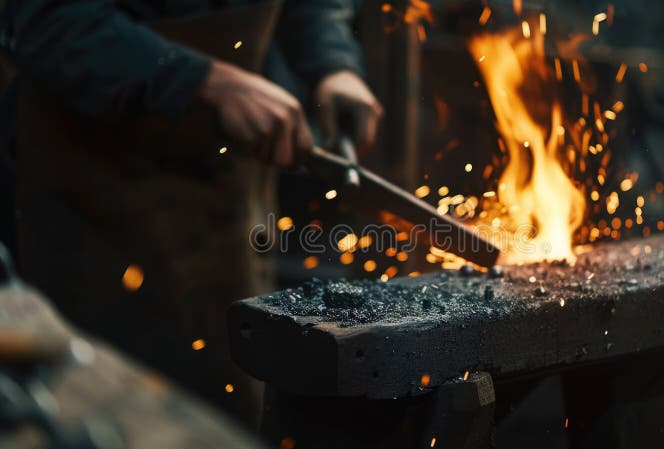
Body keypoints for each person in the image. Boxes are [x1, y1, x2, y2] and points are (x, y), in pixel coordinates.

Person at [0, 0, 382, 428]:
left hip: (226, 196)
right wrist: (202, 80)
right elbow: (46, 22)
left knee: (225, 402)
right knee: (107, 413)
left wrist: (332, 63)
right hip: (93, 205)